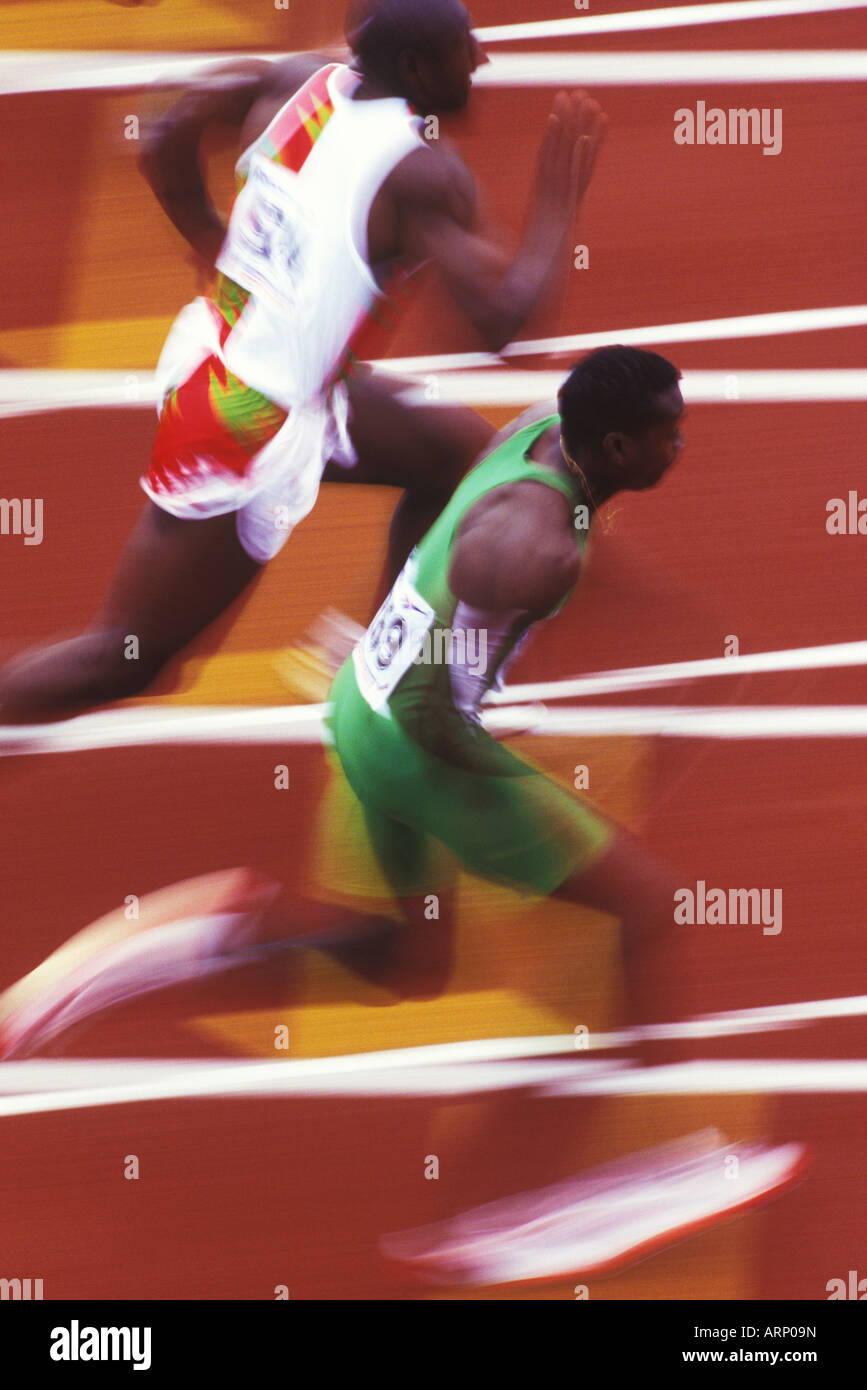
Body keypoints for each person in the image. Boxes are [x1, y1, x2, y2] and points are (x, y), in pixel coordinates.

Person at [0, 0, 606, 722]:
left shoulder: (299, 81)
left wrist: (207, 237)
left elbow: (166, 129)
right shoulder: (421, 176)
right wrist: (557, 201)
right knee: (125, 656)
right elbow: (505, 327)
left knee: (453, 459)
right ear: (415, 67)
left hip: (230, 359)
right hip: (247, 424)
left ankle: (384, 670)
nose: (480, 59)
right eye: (461, 46)